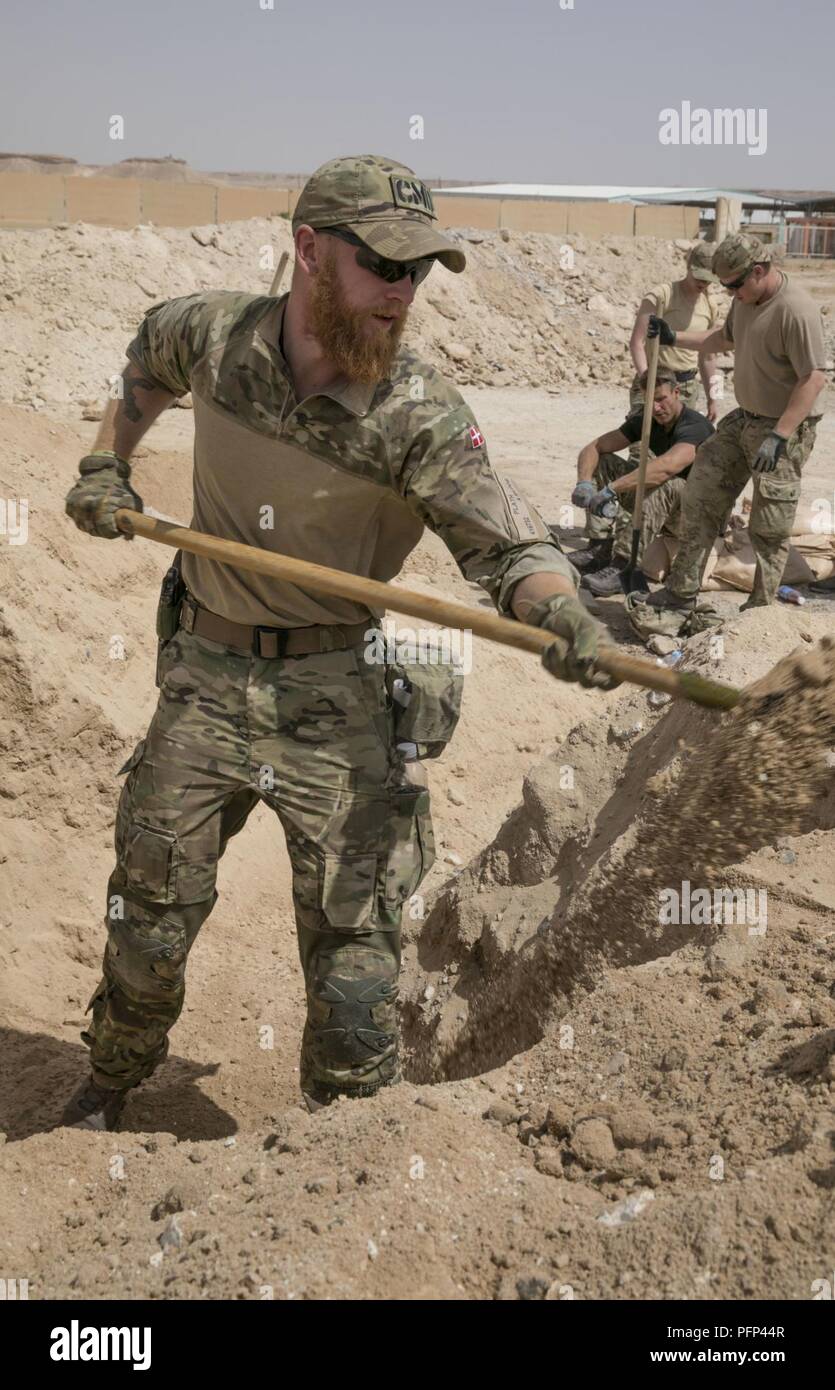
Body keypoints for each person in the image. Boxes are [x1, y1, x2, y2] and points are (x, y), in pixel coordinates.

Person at [61, 154, 618, 1131]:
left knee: (357, 956)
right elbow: (147, 365)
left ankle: (332, 1155)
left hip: (337, 691)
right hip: (202, 670)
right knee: (148, 910)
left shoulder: (419, 413)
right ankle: (108, 1081)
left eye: (418, 273)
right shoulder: (214, 335)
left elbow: (510, 545)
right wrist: (108, 461)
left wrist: (558, 610)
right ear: (310, 251)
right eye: (382, 267)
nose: (402, 294)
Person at [636, 233, 827, 632]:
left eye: (735, 285)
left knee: (769, 524)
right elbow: (722, 339)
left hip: (783, 428)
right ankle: (680, 595)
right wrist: (674, 336)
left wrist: (780, 435)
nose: (730, 294)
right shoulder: (745, 300)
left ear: (759, 271)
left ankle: (760, 615)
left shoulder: (796, 310)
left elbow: (813, 378)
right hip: (746, 418)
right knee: (701, 495)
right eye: (724, 287)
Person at [571, 369, 714, 596]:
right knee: (603, 461)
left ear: (677, 393)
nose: (656, 408)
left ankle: (624, 566)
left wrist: (613, 489)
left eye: (661, 399)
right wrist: (584, 483)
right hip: (663, 510)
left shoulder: (694, 425)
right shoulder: (648, 420)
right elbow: (595, 447)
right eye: (650, 401)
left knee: (670, 484)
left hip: (695, 515)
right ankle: (599, 549)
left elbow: (668, 466)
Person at [628, 241, 721, 426]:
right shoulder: (663, 295)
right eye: (699, 277)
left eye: (708, 278)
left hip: (686, 387)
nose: (703, 283)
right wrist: (649, 383)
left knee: (677, 448)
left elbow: (709, 358)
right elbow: (636, 343)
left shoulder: (710, 305)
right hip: (655, 378)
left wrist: (714, 399)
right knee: (641, 446)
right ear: (688, 267)